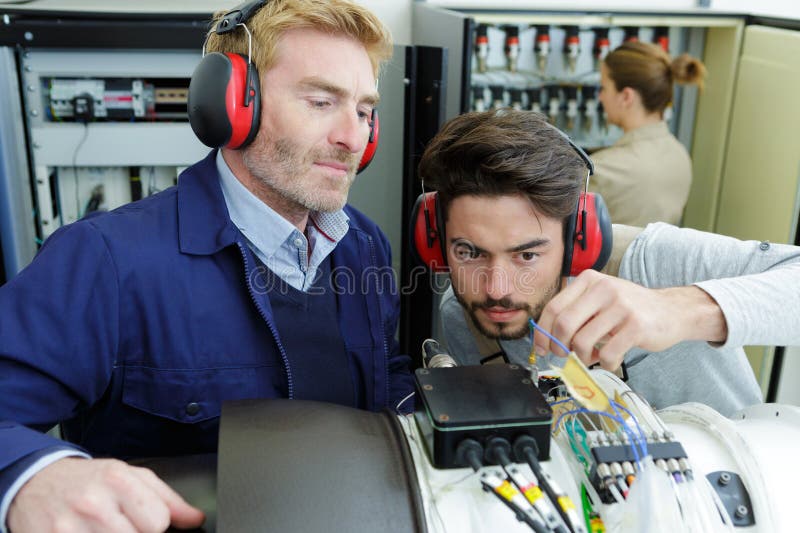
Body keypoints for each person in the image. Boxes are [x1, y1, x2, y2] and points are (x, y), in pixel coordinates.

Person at [0, 1, 413, 531]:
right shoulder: (105, 260)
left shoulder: (364, 246)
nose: (353, 137)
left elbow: (386, 373)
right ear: (233, 104)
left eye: (362, 111)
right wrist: (35, 475)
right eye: (320, 101)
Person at [418, 108, 800, 419]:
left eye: (527, 255)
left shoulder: (650, 260)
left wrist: (676, 308)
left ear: (575, 241)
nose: (496, 289)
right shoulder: (463, 315)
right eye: (469, 252)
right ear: (435, 242)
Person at [590, 41, 706, 226]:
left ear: (626, 96)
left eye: (604, 88)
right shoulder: (680, 155)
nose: (601, 97)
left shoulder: (603, 170)